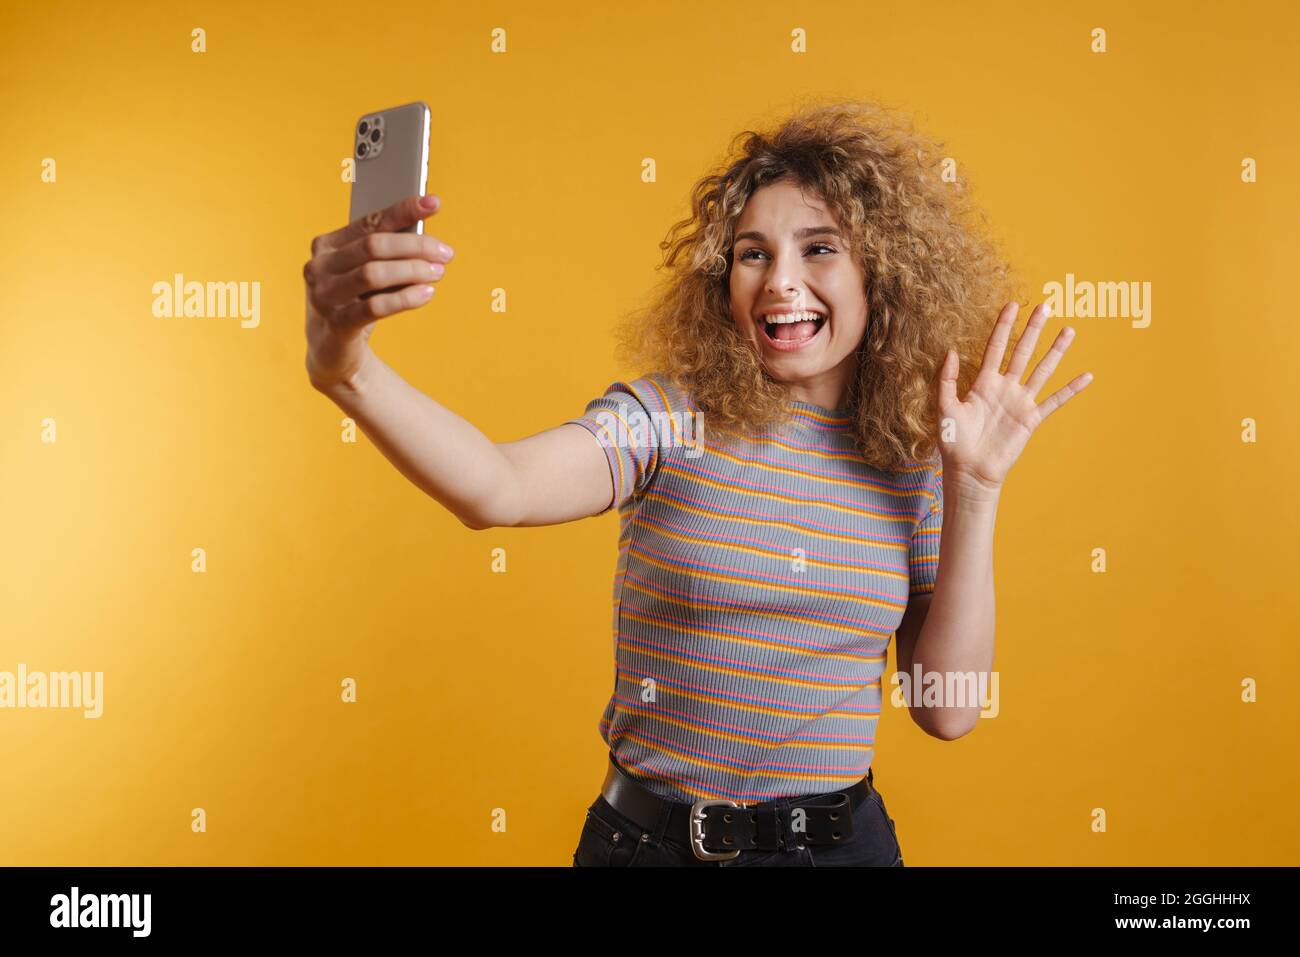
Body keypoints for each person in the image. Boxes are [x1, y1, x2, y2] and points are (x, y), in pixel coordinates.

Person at [302, 99, 1093, 867]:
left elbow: (947, 707)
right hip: (648, 847)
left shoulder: (913, 463)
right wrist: (349, 369)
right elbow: (498, 488)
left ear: (877, 277)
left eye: (819, 248)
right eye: (754, 253)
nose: (780, 281)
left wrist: (976, 485)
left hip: (837, 851)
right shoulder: (670, 417)